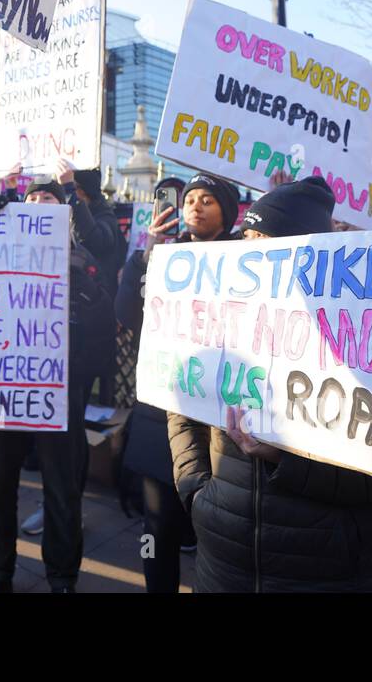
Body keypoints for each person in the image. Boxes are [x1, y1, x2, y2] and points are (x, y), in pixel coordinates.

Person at [169, 175, 372, 592]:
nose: (253, 251)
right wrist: (197, 492)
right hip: (223, 559)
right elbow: (181, 404)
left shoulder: (370, 340)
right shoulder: (223, 315)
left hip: (322, 569)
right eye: (248, 237)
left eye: (270, 241)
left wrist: (287, 461)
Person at [0, 173, 116, 592]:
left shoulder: (84, 253)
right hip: (4, 390)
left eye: (48, 197)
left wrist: (84, 285)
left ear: (64, 210)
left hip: (60, 387)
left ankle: (61, 575)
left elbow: (105, 320)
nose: (39, 201)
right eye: (32, 195)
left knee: (61, 486)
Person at [116, 173, 240, 592]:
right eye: (190, 199)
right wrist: (147, 252)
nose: (195, 206)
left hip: (224, 420)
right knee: (158, 525)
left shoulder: (247, 257)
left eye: (208, 199)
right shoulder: (163, 257)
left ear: (228, 211)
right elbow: (126, 315)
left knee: (220, 532)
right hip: (163, 415)